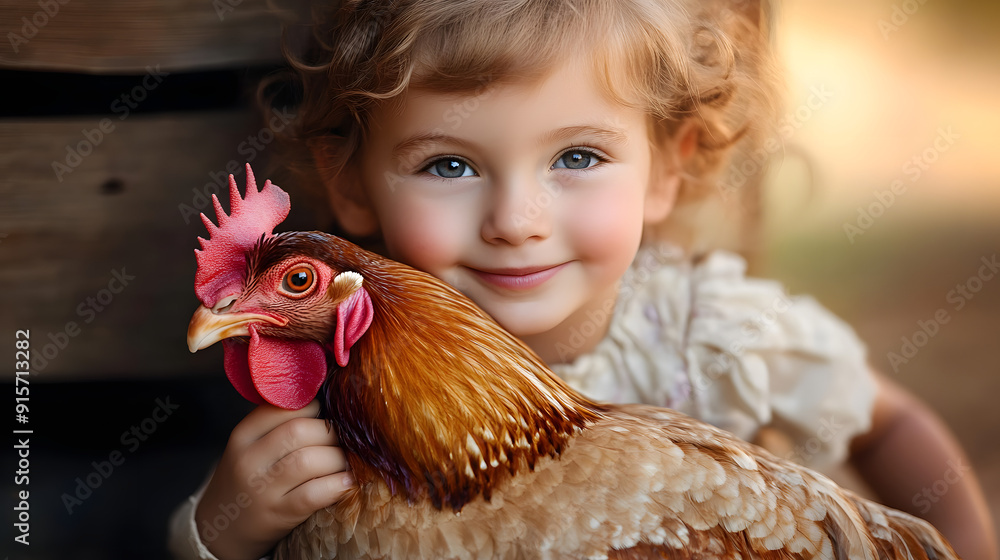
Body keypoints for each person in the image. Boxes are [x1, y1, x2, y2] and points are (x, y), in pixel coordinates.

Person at [170, 1, 998, 559]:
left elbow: (890, 427)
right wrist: (220, 528)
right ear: (349, 181)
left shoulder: (715, 329)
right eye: (450, 164)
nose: (517, 218)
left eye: (577, 156)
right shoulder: (352, 398)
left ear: (665, 172)